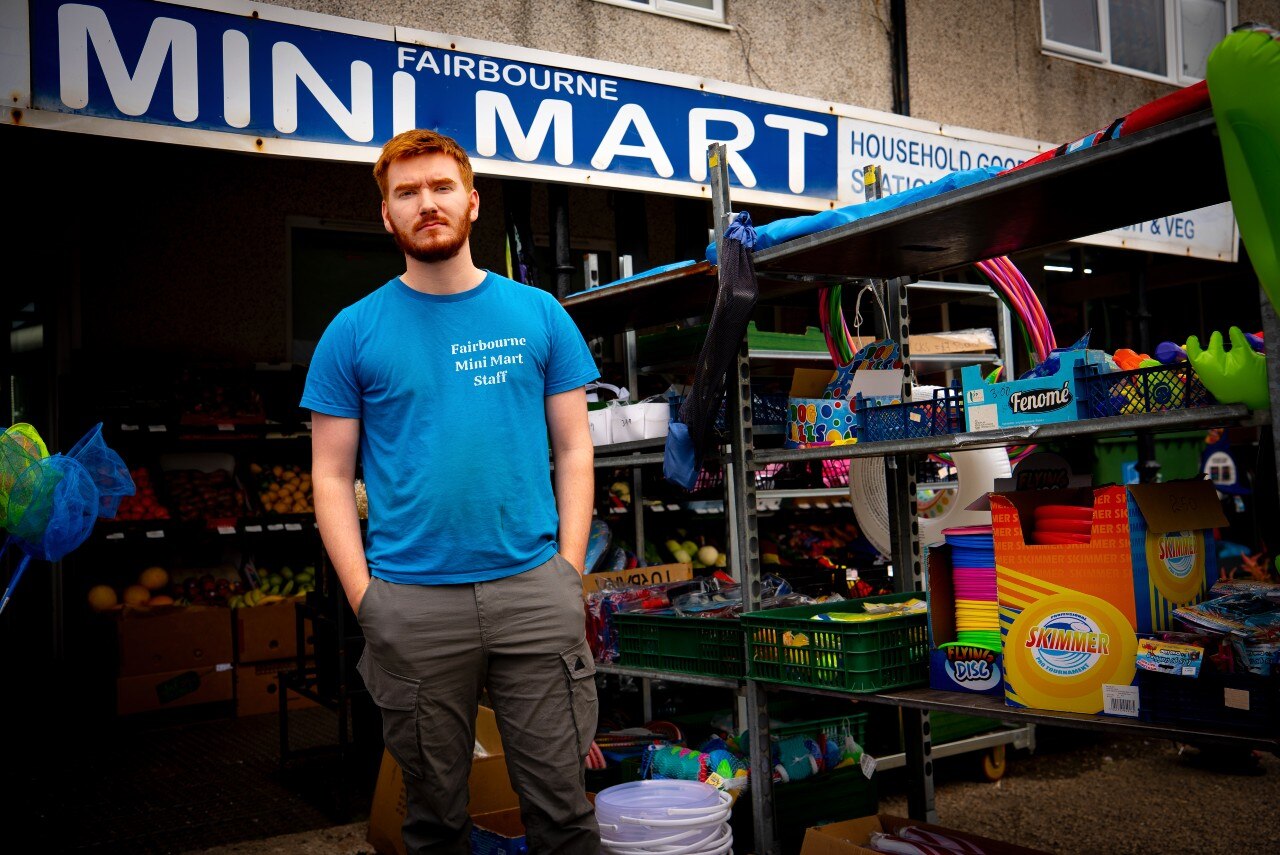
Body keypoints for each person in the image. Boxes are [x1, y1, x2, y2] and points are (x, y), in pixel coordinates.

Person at [302, 129, 600, 854]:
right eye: (406, 192)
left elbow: (575, 446)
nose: (425, 203)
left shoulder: (538, 314)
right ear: (386, 216)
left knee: (563, 813)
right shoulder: (352, 332)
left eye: (440, 187)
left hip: (534, 591)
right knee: (432, 821)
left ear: (471, 202)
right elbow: (331, 475)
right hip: (412, 602)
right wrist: (366, 598)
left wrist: (569, 570)